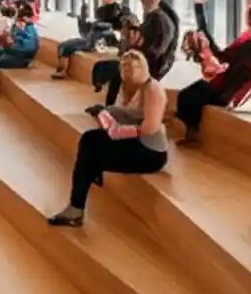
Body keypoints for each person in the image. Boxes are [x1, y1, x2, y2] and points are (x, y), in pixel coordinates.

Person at [48, 50, 168, 226]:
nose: (128, 71)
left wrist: (118, 131)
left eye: (133, 67)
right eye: (125, 67)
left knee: (91, 153)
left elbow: (151, 127)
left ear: (143, 68)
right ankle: (77, 204)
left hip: (150, 151)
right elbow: (125, 112)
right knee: (89, 140)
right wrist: (105, 112)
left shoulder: (152, 89)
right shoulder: (125, 86)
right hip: (132, 140)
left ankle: (76, 206)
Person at [176, 0, 251, 143]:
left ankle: (192, 132)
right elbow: (226, 57)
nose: (249, 21)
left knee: (187, 96)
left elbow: (226, 58)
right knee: (189, 95)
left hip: (229, 88)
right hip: (229, 83)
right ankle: (191, 130)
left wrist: (205, 42)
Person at [54, 0, 128, 79]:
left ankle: (62, 70)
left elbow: (116, 27)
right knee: (63, 45)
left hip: (98, 38)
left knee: (71, 46)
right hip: (91, 36)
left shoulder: (120, 11)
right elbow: (92, 27)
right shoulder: (101, 10)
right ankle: (61, 69)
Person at [0, 3, 39, 91]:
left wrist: (10, 46)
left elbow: (26, 48)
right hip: (13, 53)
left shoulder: (28, 29)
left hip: (20, 58)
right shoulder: (23, 27)